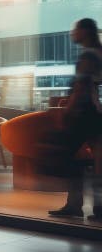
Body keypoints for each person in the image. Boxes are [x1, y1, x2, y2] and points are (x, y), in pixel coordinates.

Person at [48, 18, 102, 220]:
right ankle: (98, 208)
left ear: (85, 31)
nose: (72, 33)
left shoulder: (88, 56)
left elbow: (81, 88)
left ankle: (74, 205)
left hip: (84, 113)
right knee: (98, 162)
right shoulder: (99, 52)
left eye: (75, 29)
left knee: (68, 155)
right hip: (97, 113)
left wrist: (66, 111)